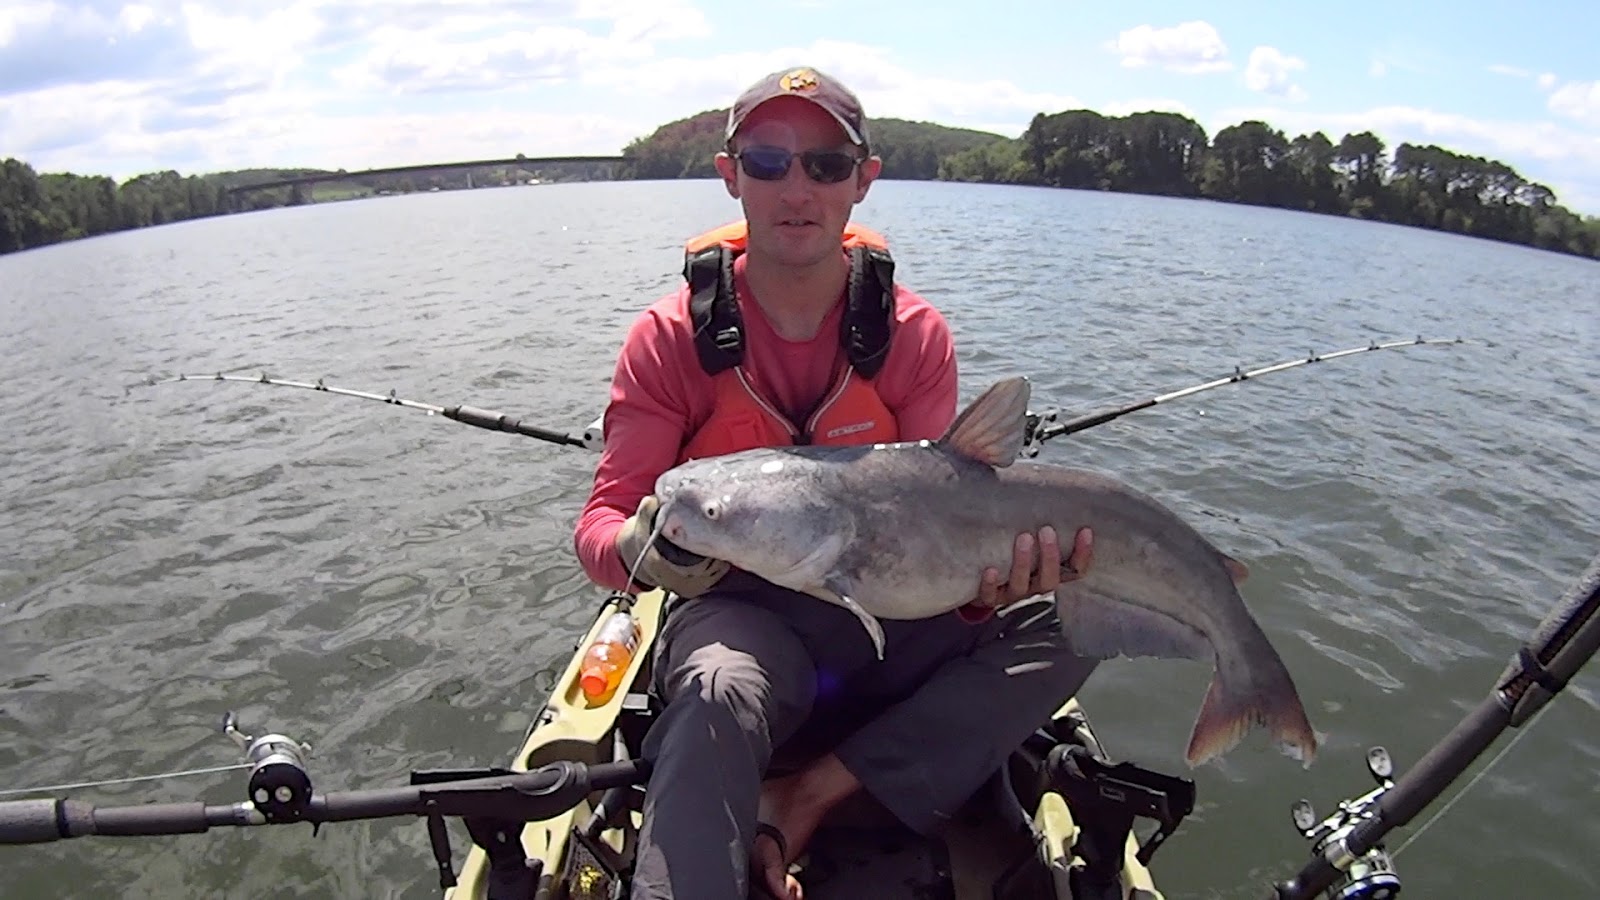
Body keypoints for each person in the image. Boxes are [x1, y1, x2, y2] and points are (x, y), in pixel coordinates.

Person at [573, 65, 1099, 900]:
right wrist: (643, 550)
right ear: (731, 174)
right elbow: (600, 526)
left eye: (825, 164)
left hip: (891, 616)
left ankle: (810, 794)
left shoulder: (914, 335)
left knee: (1073, 621)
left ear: (863, 180)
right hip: (745, 621)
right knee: (714, 688)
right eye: (768, 161)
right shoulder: (666, 340)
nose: (797, 189)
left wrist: (982, 595)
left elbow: (948, 519)